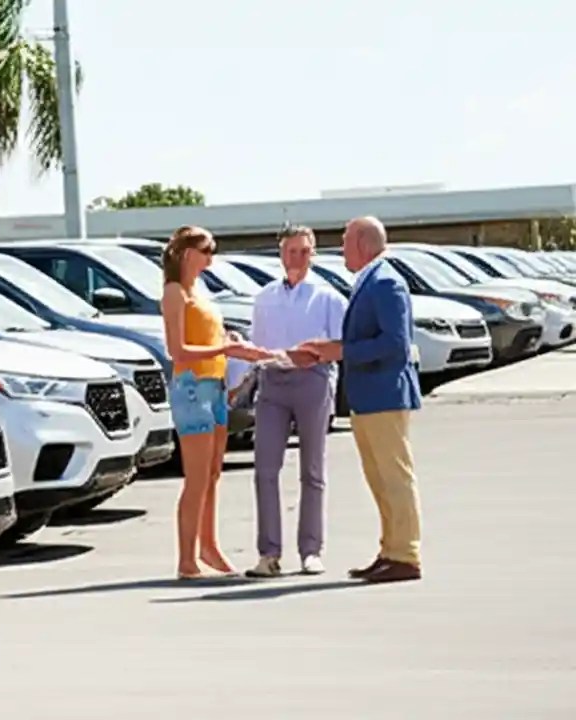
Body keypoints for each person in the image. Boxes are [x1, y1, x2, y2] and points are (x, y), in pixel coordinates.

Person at [298, 216, 423, 583]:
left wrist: (340, 350)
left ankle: (406, 554)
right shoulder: (369, 280)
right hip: (369, 398)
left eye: (345, 240)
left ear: (364, 244)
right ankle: (391, 550)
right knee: (379, 478)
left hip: (385, 395)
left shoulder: (385, 283)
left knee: (394, 477)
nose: (341, 247)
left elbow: (395, 344)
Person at [160, 225, 274, 579]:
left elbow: (209, 336)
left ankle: (208, 546)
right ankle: (186, 559)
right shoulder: (175, 293)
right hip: (192, 387)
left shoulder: (201, 291)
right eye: (206, 250)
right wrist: (227, 348)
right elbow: (177, 350)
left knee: (212, 474)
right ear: (186, 253)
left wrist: (229, 341)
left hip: (215, 385)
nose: (211, 257)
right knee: (196, 478)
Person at [244, 226, 347, 579]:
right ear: (280, 254)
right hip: (273, 381)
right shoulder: (265, 297)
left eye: (305, 251)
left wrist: (315, 357)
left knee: (312, 470)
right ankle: (268, 553)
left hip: (312, 382)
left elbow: (341, 346)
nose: (298, 258)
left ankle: (311, 550)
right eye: (292, 251)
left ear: (313, 253)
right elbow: (256, 346)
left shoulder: (328, 296)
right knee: (265, 470)